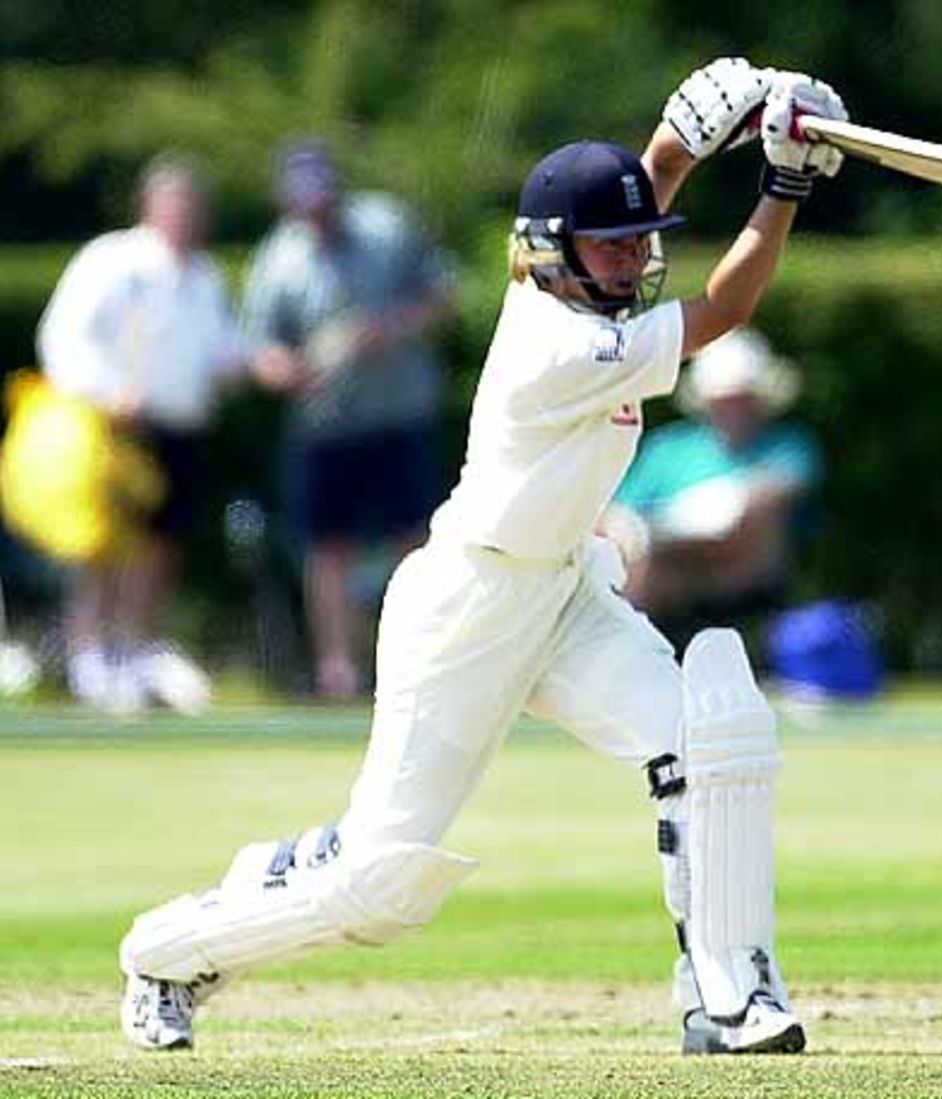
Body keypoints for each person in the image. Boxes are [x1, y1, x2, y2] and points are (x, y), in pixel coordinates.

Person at [118, 57, 847, 1056]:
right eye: (615, 247)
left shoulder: (588, 295)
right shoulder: (560, 345)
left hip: (560, 595)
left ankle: (728, 993)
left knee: (714, 736)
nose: (636, 261)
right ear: (556, 253)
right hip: (466, 607)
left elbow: (625, 204)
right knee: (377, 887)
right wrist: (785, 185)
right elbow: (724, 310)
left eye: (643, 244)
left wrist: (679, 141)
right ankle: (167, 950)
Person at [242, 143, 456, 698]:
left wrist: (393, 327)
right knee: (326, 548)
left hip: (397, 413)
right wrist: (288, 370)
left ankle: (426, 657)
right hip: (324, 425)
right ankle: (339, 670)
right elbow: (260, 350)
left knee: (415, 538)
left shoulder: (387, 226)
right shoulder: (277, 259)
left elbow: (441, 296)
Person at [35, 154, 246, 714]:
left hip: (180, 429)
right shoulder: (112, 261)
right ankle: (90, 659)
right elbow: (62, 338)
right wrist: (104, 394)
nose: (184, 217)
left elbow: (221, 347)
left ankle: (134, 651)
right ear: (152, 206)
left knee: (161, 548)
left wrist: (247, 364)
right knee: (105, 546)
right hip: (115, 429)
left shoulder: (204, 275)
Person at [601, 327, 823, 650]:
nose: (734, 409)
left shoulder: (786, 445)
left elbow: (777, 493)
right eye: (725, 400)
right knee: (633, 552)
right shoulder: (669, 448)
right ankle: (625, 650)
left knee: (761, 518)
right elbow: (620, 514)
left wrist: (723, 514)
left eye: (742, 399)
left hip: (746, 571)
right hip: (664, 565)